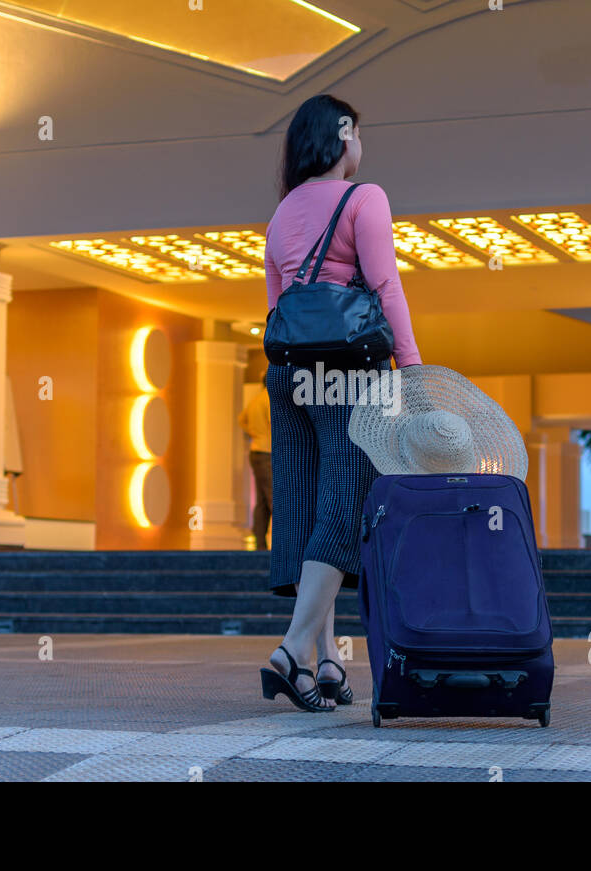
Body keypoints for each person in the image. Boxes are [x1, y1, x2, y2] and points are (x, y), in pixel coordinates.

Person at [258, 94, 422, 711]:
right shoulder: (365, 199)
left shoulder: (280, 216)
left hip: (288, 373)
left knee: (300, 507)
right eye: (359, 133)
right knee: (344, 503)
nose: (363, 145)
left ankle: (326, 663)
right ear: (342, 138)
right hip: (351, 373)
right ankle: (292, 649)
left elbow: (277, 309)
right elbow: (385, 287)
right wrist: (409, 368)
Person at [237, 376, 273, 550]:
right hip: (268, 452)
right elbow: (275, 425)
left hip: (256, 450)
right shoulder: (270, 399)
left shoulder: (256, 400)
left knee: (262, 500)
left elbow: (241, 420)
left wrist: (254, 433)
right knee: (274, 497)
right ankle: (284, 542)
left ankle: (260, 544)